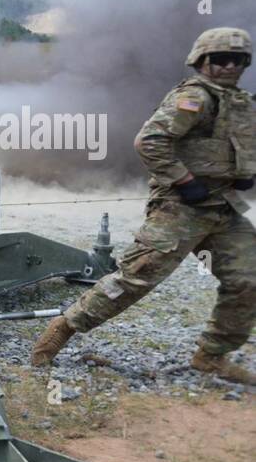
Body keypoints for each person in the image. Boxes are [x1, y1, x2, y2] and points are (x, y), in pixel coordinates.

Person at [31, 27, 256, 383]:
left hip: (223, 207)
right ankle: (60, 331)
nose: (230, 66)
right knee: (136, 279)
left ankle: (211, 357)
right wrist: (185, 181)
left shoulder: (241, 102)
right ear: (202, 61)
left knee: (248, 279)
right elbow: (150, 141)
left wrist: (246, 172)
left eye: (239, 59)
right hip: (182, 206)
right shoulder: (194, 99)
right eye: (220, 59)